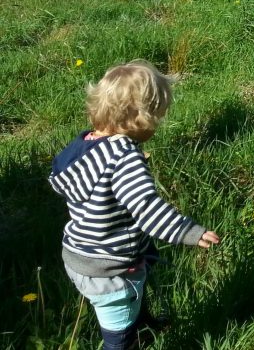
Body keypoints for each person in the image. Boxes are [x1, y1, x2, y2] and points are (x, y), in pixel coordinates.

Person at [49, 60, 220, 350]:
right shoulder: (123, 159)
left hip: (79, 254)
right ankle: (130, 337)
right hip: (111, 268)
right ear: (139, 119)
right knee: (119, 338)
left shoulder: (80, 146)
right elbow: (146, 207)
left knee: (140, 278)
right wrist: (188, 231)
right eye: (158, 117)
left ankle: (144, 324)